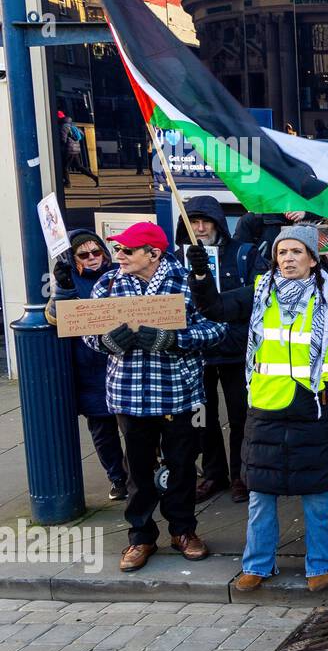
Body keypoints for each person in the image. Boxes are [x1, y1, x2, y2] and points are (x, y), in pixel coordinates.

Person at [187, 226, 328, 593]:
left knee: (315, 493)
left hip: (314, 406)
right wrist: (202, 276)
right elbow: (215, 307)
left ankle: (322, 562)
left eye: (297, 252)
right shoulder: (258, 293)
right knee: (260, 492)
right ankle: (256, 564)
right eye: (282, 252)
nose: (288, 259)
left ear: (313, 259)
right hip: (266, 406)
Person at [84, 222, 226, 572]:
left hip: (178, 392)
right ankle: (140, 537)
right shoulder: (109, 283)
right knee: (138, 472)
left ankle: (183, 531)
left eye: (127, 250)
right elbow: (87, 334)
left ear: (153, 253)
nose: (118, 256)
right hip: (129, 394)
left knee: (181, 467)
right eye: (118, 249)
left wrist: (173, 340)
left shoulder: (189, 281)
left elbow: (218, 327)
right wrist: (112, 340)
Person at [177, 196, 267, 504]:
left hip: (234, 348)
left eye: (206, 222)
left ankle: (240, 473)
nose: (200, 228)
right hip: (195, 351)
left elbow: (260, 295)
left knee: (241, 413)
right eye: (194, 222)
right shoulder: (176, 259)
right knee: (202, 416)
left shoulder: (243, 253)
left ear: (218, 223)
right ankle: (213, 473)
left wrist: (236, 331)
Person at [46, 230, 129, 501]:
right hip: (89, 367)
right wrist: (64, 289)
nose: (93, 258)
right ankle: (117, 477)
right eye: (84, 254)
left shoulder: (120, 275)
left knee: (134, 428)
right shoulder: (68, 281)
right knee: (103, 431)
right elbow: (55, 317)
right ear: (73, 258)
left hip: (121, 362)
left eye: (97, 252)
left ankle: (139, 472)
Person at [58, 111, 97, 187]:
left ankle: (67, 183)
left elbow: (63, 140)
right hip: (76, 149)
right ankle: (95, 177)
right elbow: (82, 135)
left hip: (68, 150)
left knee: (64, 167)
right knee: (79, 166)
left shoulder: (63, 126)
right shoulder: (72, 124)